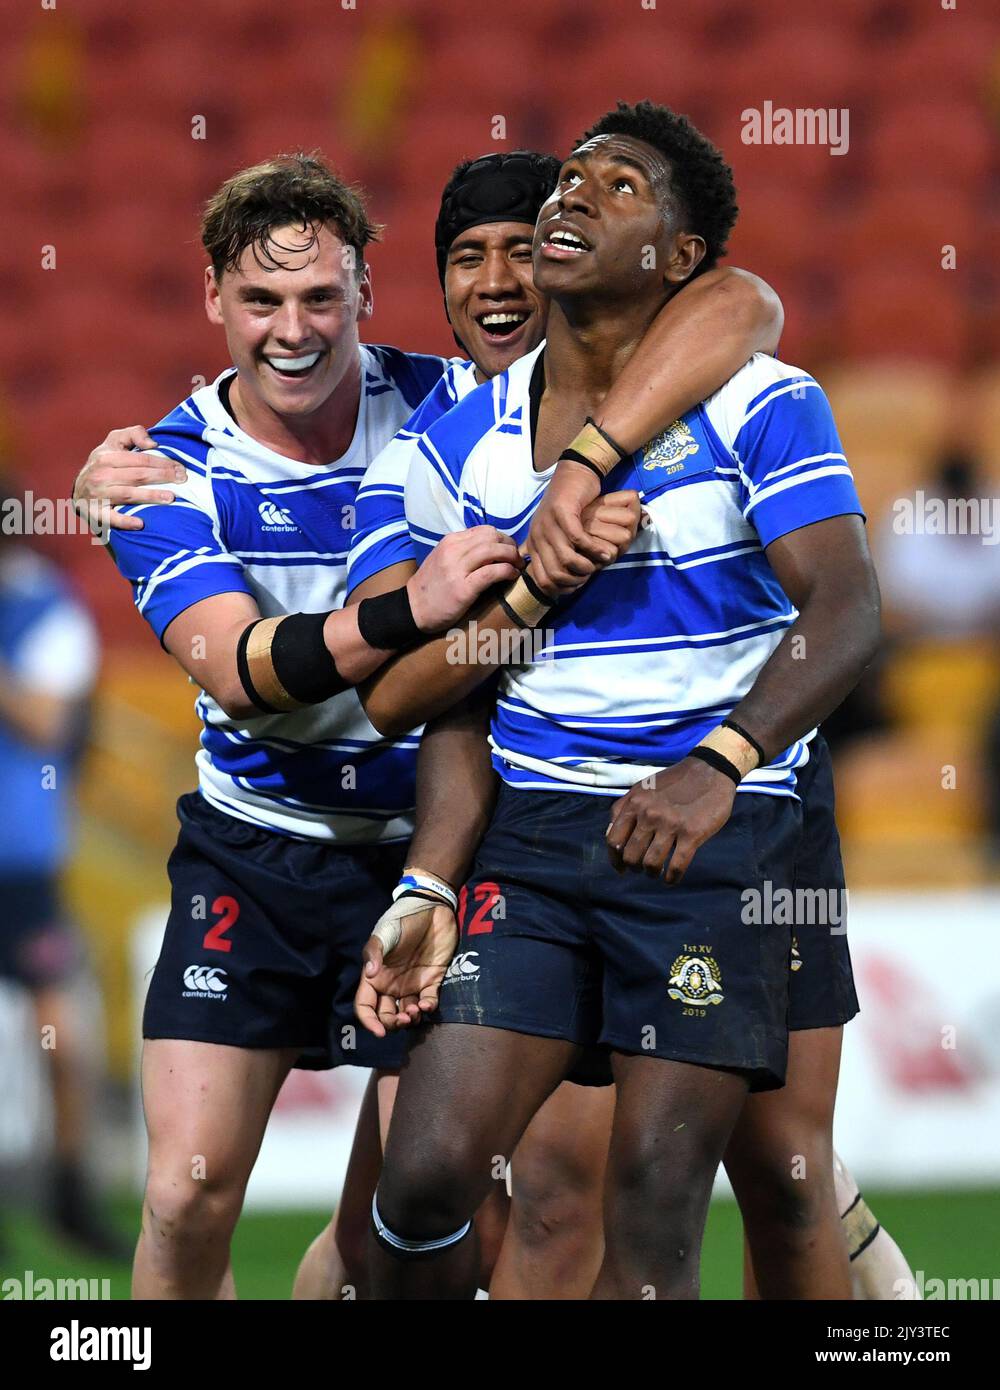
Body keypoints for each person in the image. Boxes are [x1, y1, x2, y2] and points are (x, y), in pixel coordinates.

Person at [73, 147, 780, 1298]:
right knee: (187, 1190)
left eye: (319, 297)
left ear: (365, 291)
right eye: (259, 300)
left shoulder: (453, 406)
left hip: (435, 850)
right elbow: (253, 674)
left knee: (412, 1209)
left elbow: (741, 305)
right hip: (255, 851)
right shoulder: (164, 471)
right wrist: (424, 600)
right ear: (213, 300)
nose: (291, 329)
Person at [357, 101, 882, 1300]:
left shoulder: (762, 399)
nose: (571, 196)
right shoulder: (457, 442)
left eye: (620, 187)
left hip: (711, 835)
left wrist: (722, 762)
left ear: (682, 258)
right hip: (533, 839)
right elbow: (407, 698)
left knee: (655, 1198)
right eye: (569, 178)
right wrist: (431, 877)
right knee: (424, 1174)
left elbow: (846, 609)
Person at [0, 489, 126, 1258]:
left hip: (21, 855)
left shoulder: (42, 605)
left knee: (58, 1031)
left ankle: (71, 1183)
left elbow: (48, 720)